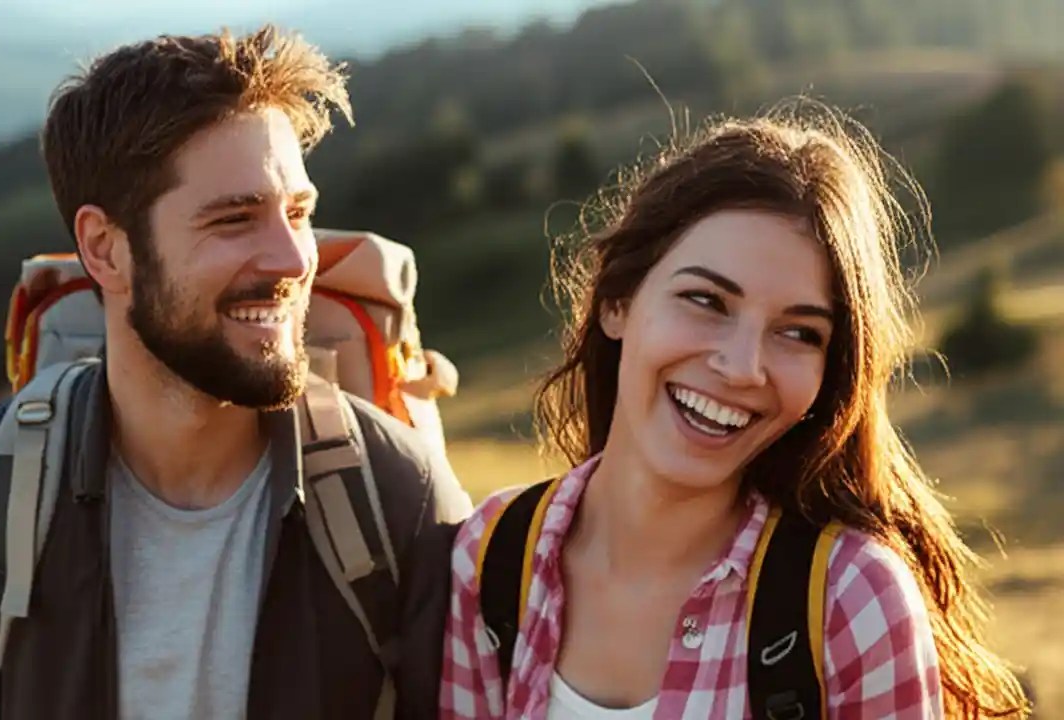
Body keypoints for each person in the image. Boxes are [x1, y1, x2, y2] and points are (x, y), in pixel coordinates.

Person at [0, 25, 473, 720]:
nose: (294, 259)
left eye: (298, 213)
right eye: (235, 219)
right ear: (105, 249)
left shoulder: (401, 498)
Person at [440, 103, 1030, 718]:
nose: (744, 366)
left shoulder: (849, 603)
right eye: (706, 300)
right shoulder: (491, 558)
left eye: (800, 333)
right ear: (616, 300)